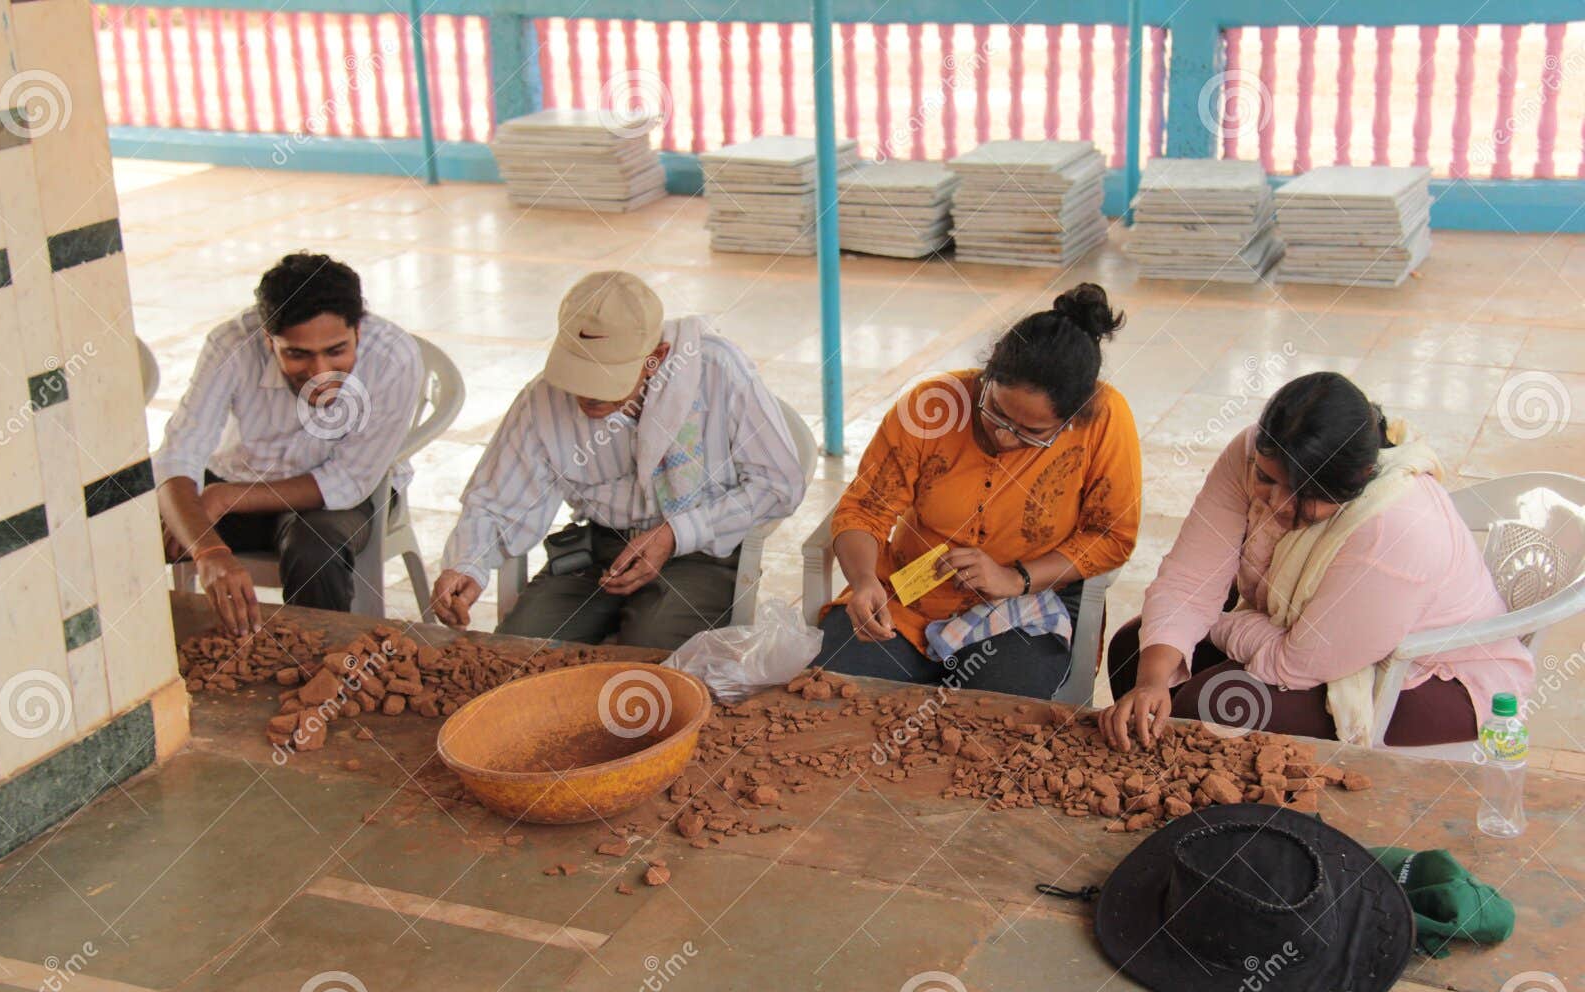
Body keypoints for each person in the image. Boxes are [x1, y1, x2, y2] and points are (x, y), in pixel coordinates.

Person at [1101, 372, 1535, 751]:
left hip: (1431, 675)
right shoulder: (1252, 452)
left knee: (1209, 705)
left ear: (1358, 482)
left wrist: (1215, 622)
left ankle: (1246, 816)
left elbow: (1294, 662)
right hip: (1313, 636)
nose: (1277, 504)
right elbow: (1191, 575)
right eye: (1266, 480)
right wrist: (1151, 681)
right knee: (1133, 652)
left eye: (1304, 495)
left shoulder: (1395, 526)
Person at [430, 270, 806, 650]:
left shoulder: (716, 370)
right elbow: (497, 501)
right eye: (579, 375)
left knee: (649, 654)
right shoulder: (543, 398)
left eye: (605, 379)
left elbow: (778, 485)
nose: (588, 395)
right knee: (520, 649)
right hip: (601, 548)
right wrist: (467, 565)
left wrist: (675, 534)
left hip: (701, 553)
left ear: (656, 358)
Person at [812, 283, 1142, 700]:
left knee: (993, 711)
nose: (1005, 437)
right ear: (987, 374)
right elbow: (865, 510)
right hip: (906, 596)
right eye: (996, 412)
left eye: (1032, 433)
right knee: (835, 690)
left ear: (1070, 420)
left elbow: (1111, 535)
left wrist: (1015, 578)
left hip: (1023, 610)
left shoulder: (1103, 419)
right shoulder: (933, 405)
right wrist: (863, 581)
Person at [155, 253, 423, 635]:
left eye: (336, 350)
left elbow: (349, 480)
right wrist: (208, 550)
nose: (320, 372)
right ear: (269, 340)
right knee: (128, 525)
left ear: (358, 332)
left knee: (314, 552)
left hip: (339, 499)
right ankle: (151, 656)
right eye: (298, 354)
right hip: (238, 474)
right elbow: (178, 455)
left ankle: (320, 663)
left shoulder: (394, 357)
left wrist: (224, 499)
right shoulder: (231, 344)